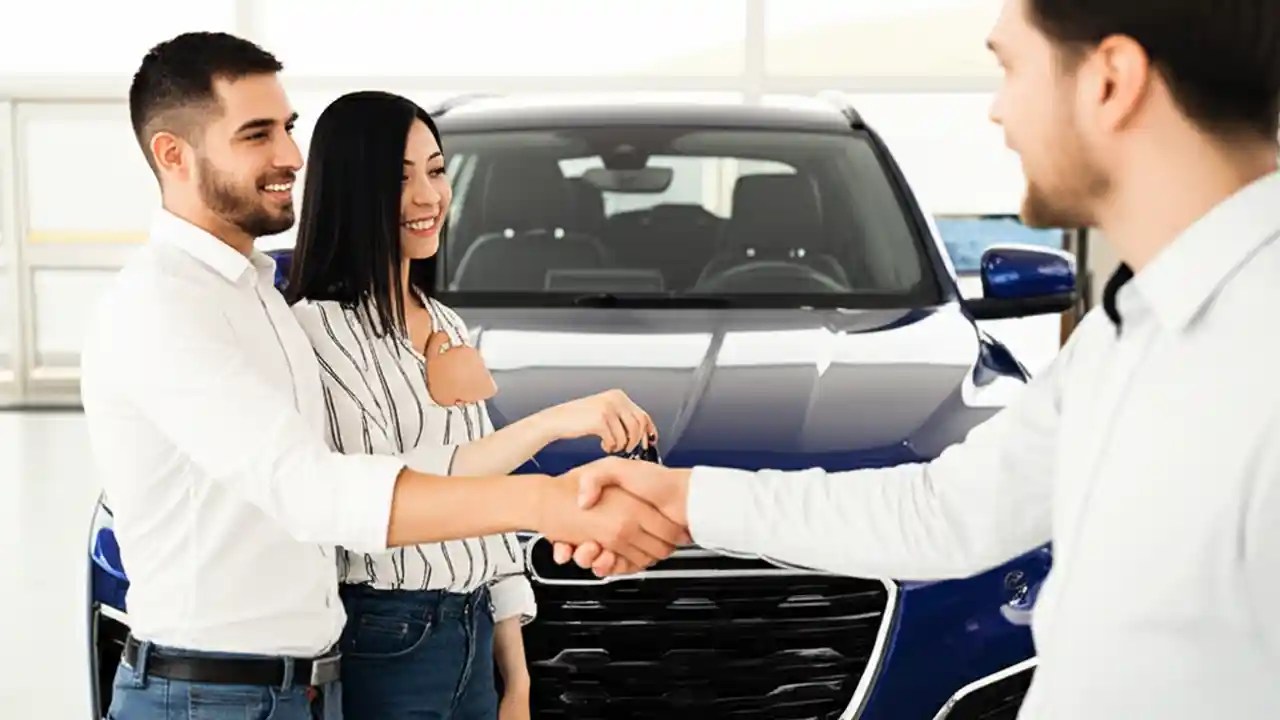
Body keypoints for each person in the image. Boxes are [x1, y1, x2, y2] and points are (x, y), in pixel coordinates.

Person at [557, 0, 1280, 717]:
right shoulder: (1122, 336)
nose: (997, 112)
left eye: (1010, 67)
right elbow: (945, 513)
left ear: (1110, 81)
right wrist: (687, 499)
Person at [80, 32, 682, 720]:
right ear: (173, 155)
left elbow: (402, 467)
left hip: (301, 685)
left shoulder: (253, 295)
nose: (291, 157)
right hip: (217, 693)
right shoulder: (166, 308)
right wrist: (542, 501)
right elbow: (314, 487)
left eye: (289, 129)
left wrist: (547, 444)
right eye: (257, 135)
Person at [284, 90, 659, 719]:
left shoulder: (447, 325)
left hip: (474, 632)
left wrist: (517, 675)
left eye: (436, 171)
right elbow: (402, 491)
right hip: (386, 636)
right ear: (351, 189)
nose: (429, 198)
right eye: (399, 179)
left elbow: (490, 523)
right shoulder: (316, 333)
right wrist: (551, 424)